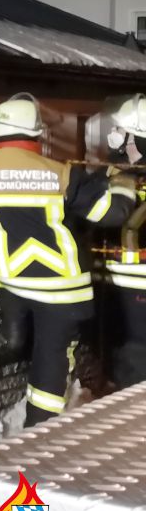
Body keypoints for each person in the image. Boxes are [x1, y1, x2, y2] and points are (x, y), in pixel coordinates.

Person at [0, 93, 136, 425]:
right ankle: (39, 430)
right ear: (35, 134)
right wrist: (123, 182)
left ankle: (14, 338)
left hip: (11, 283)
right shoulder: (62, 174)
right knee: (52, 359)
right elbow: (112, 213)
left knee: (24, 340)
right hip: (61, 289)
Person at [101, 95, 146, 387]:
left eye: (122, 132)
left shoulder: (127, 179)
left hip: (135, 288)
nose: (115, 138)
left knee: (134, 365)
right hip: (129, 284)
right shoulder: (124, 175)